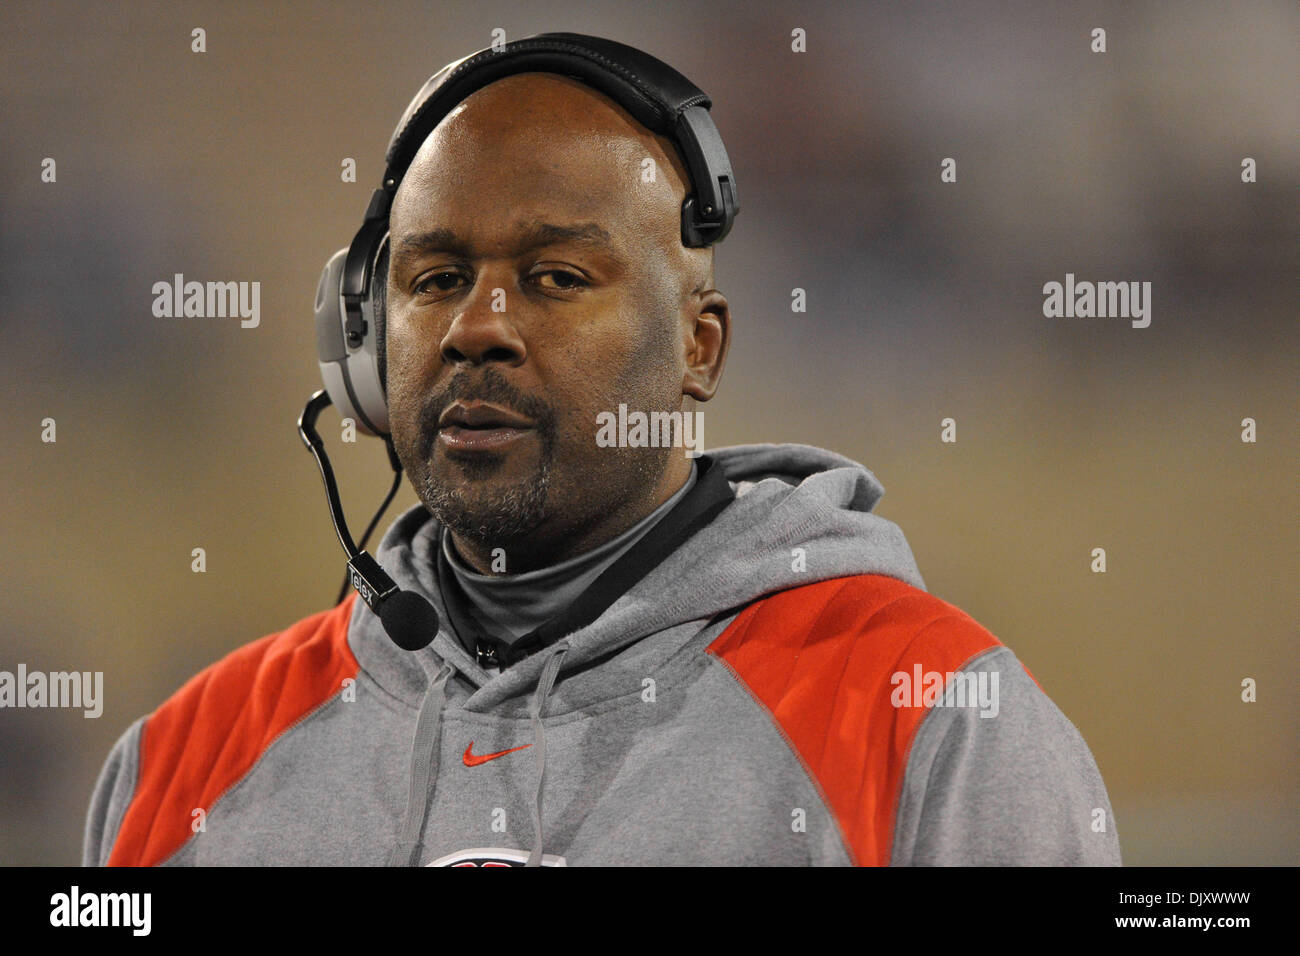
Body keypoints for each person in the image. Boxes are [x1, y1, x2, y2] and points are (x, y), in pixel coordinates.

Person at [83, 33, 1121, 867]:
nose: (476, 325)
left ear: (698, 348)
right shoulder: (179, 765)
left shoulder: (933, 716)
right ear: (358, 341)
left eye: (556, 277)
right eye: (436, 277)